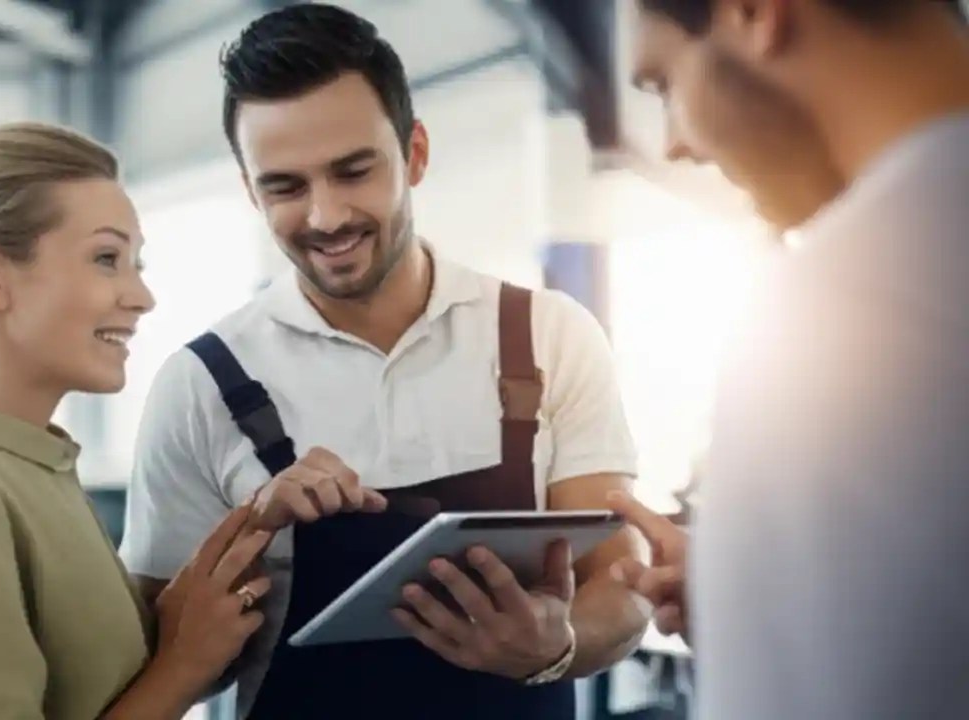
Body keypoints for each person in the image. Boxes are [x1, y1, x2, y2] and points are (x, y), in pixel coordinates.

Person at [118, 4, 651, 719]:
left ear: (415, 154)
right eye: (285, 186)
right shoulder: (200, 387)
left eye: (353, 171)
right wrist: (252, 529)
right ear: (250, 190)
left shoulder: (549, 335)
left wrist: (556, 647)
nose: (326, 216)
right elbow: (160, 660)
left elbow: (618, 582)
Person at [610, 0, 969, 717]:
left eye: (664, 84)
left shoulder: (843, 301)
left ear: (755, 12)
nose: (675, 143)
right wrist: (761, 597)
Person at [0, 121, 275, 720]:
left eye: (135, 262)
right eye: (107, 259)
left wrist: (263, 521)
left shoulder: (30, 467)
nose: (141, 296)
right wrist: (179, 666)